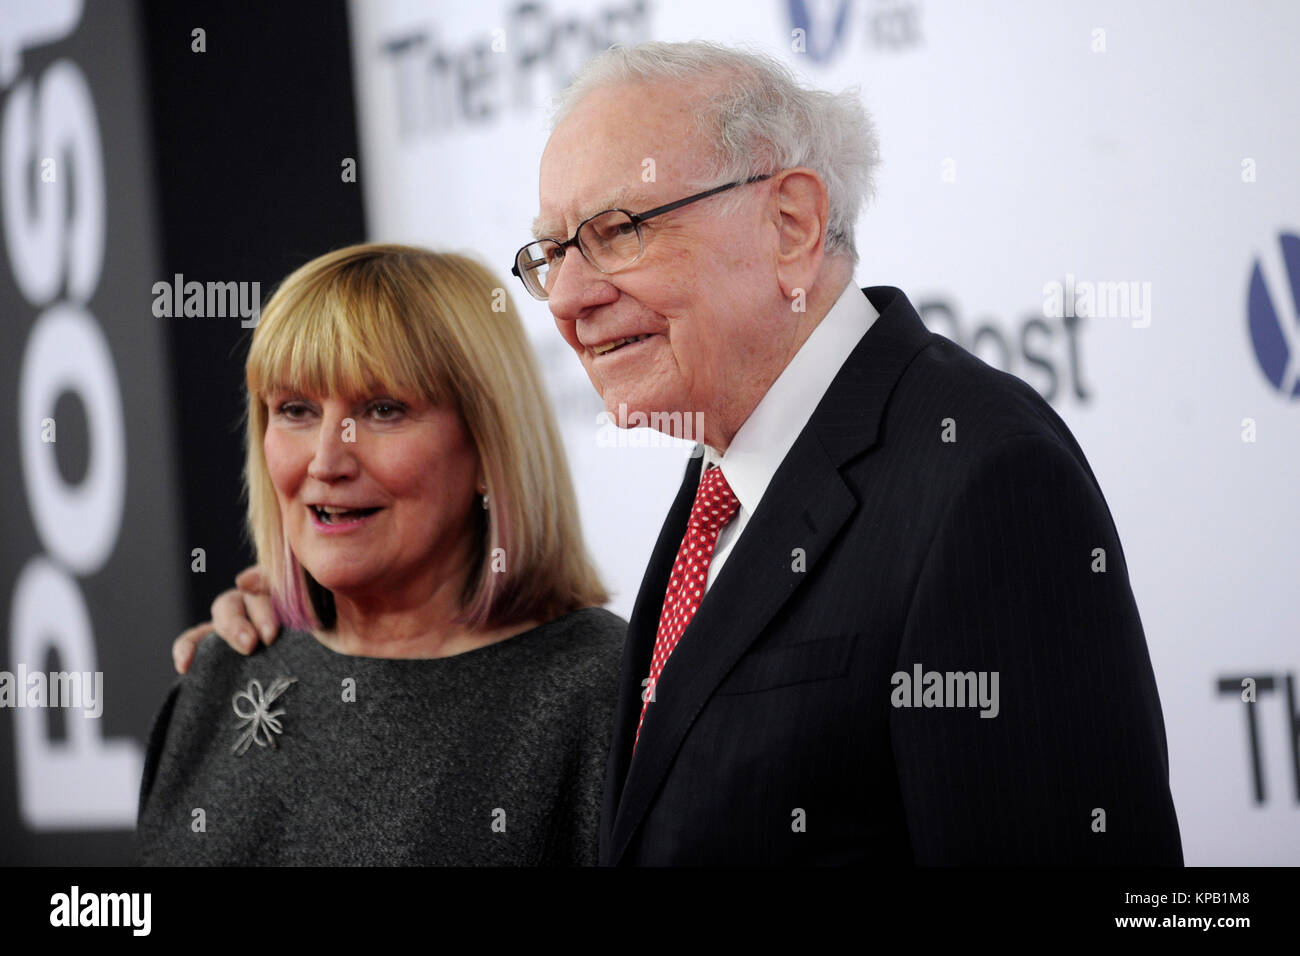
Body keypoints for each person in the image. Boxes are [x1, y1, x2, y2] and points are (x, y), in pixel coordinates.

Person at [176, 42, 1183, 865]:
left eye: (616, 231)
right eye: (549, 252)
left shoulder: (976, 477)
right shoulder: (724, 486)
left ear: (790, 221)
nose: (566, 299)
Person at [139, 244, 621, 865]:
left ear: (486, 446)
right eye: (295, 410)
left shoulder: (601, 696)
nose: (326, 461)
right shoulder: (220, 673)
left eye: (383, 410)